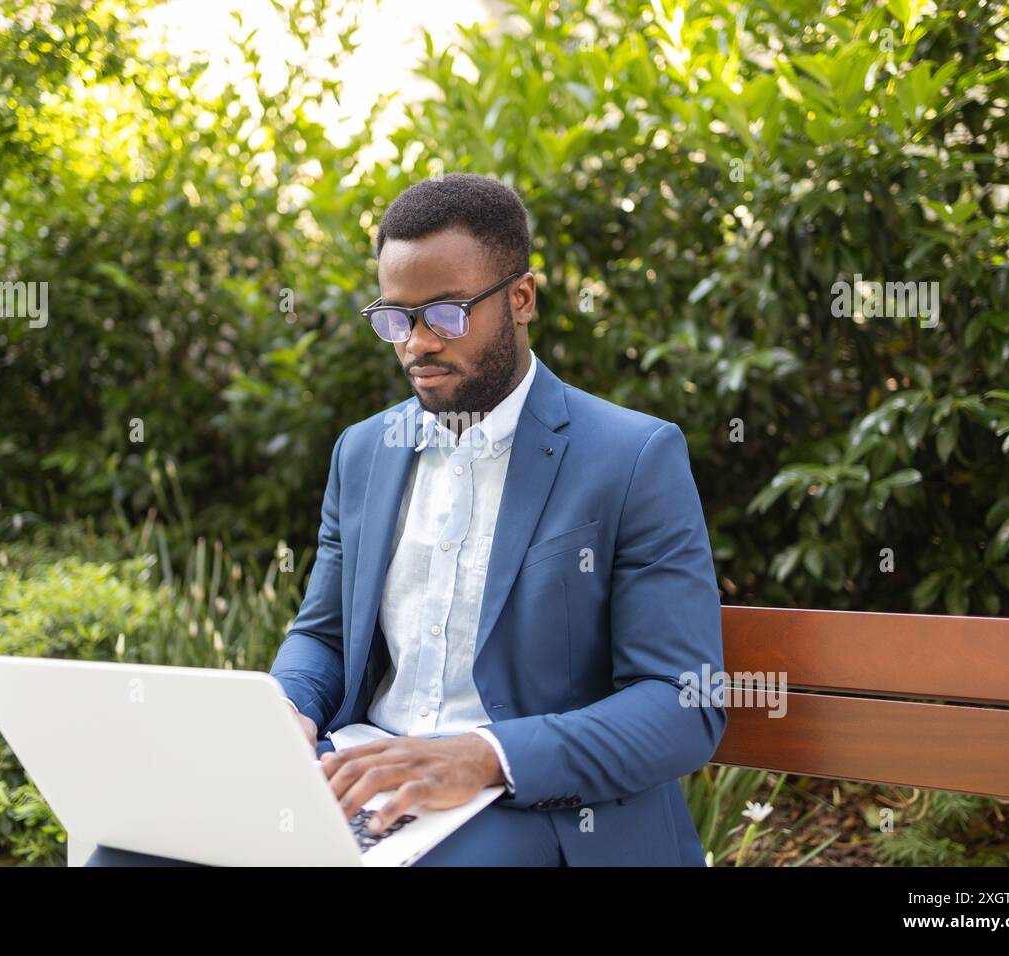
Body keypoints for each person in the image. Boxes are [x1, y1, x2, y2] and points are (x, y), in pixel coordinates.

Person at [86, 172, 726, 867]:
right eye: (395, 318)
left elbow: (682, 704)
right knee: (133, 850)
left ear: (520, 298)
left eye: (446, 313)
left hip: (536, 806)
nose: (416, 342)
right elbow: (324, 636)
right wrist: (290, 712)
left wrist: (483, 756)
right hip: (366, 775)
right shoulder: (364, 451)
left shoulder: (632, 457)